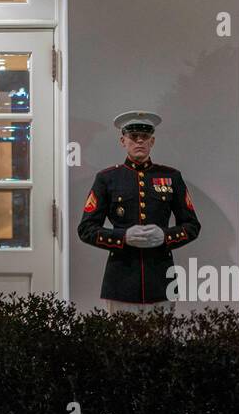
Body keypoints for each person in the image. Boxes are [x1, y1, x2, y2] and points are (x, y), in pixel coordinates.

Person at [77, 110, 201, 313]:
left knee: (161, 342)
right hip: (121, 281)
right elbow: (86, 229)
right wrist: (123, 237)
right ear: (122, 141)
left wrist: (165, 236)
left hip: (161, 280)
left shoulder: (171, 177)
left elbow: (192, 226)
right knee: (121, 343)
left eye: (145, 137)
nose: (139, 141)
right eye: (133, 136)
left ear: (152, 142)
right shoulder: (107, 179)